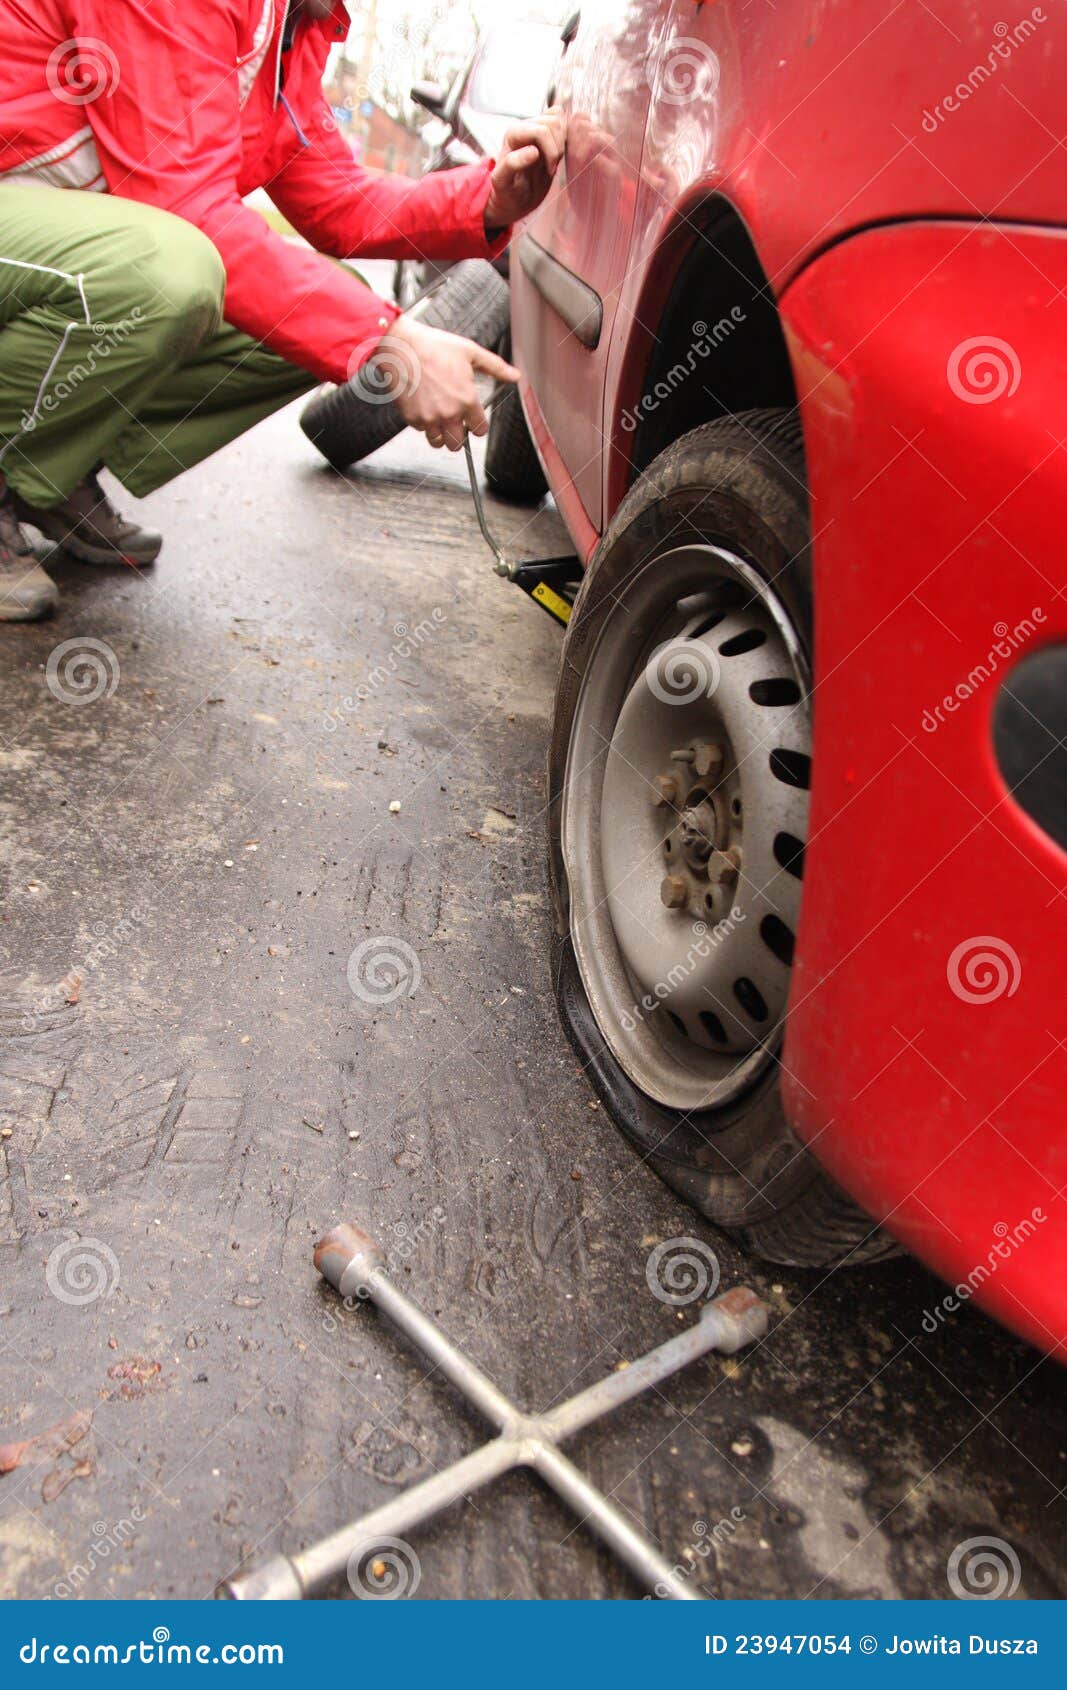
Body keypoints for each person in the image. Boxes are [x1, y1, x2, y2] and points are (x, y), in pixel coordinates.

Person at [0, 0, 565, 620]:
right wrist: (392, 337)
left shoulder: (288, 36)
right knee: (173, 270)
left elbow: (341, 204)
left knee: (317, 304)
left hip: (43, 253)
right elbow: (187, 209)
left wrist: (489, 198)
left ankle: (50, 462)